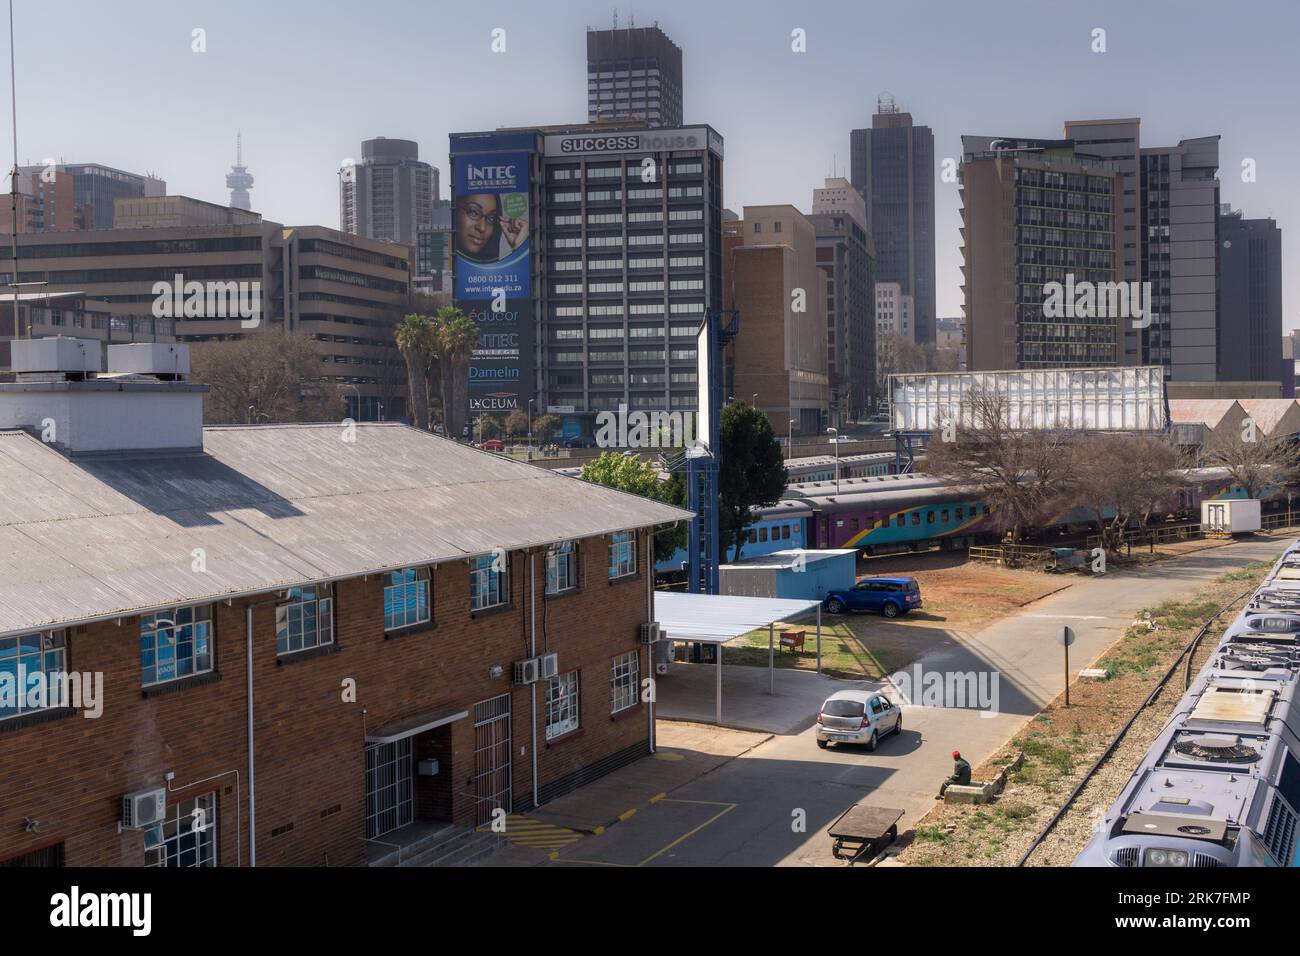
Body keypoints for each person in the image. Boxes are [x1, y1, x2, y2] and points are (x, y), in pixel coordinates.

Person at [455, 193, 528, 263]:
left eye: (491, 218)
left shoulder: (496, 271)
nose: (482, 228)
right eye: (473, 212)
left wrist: (518, 247)